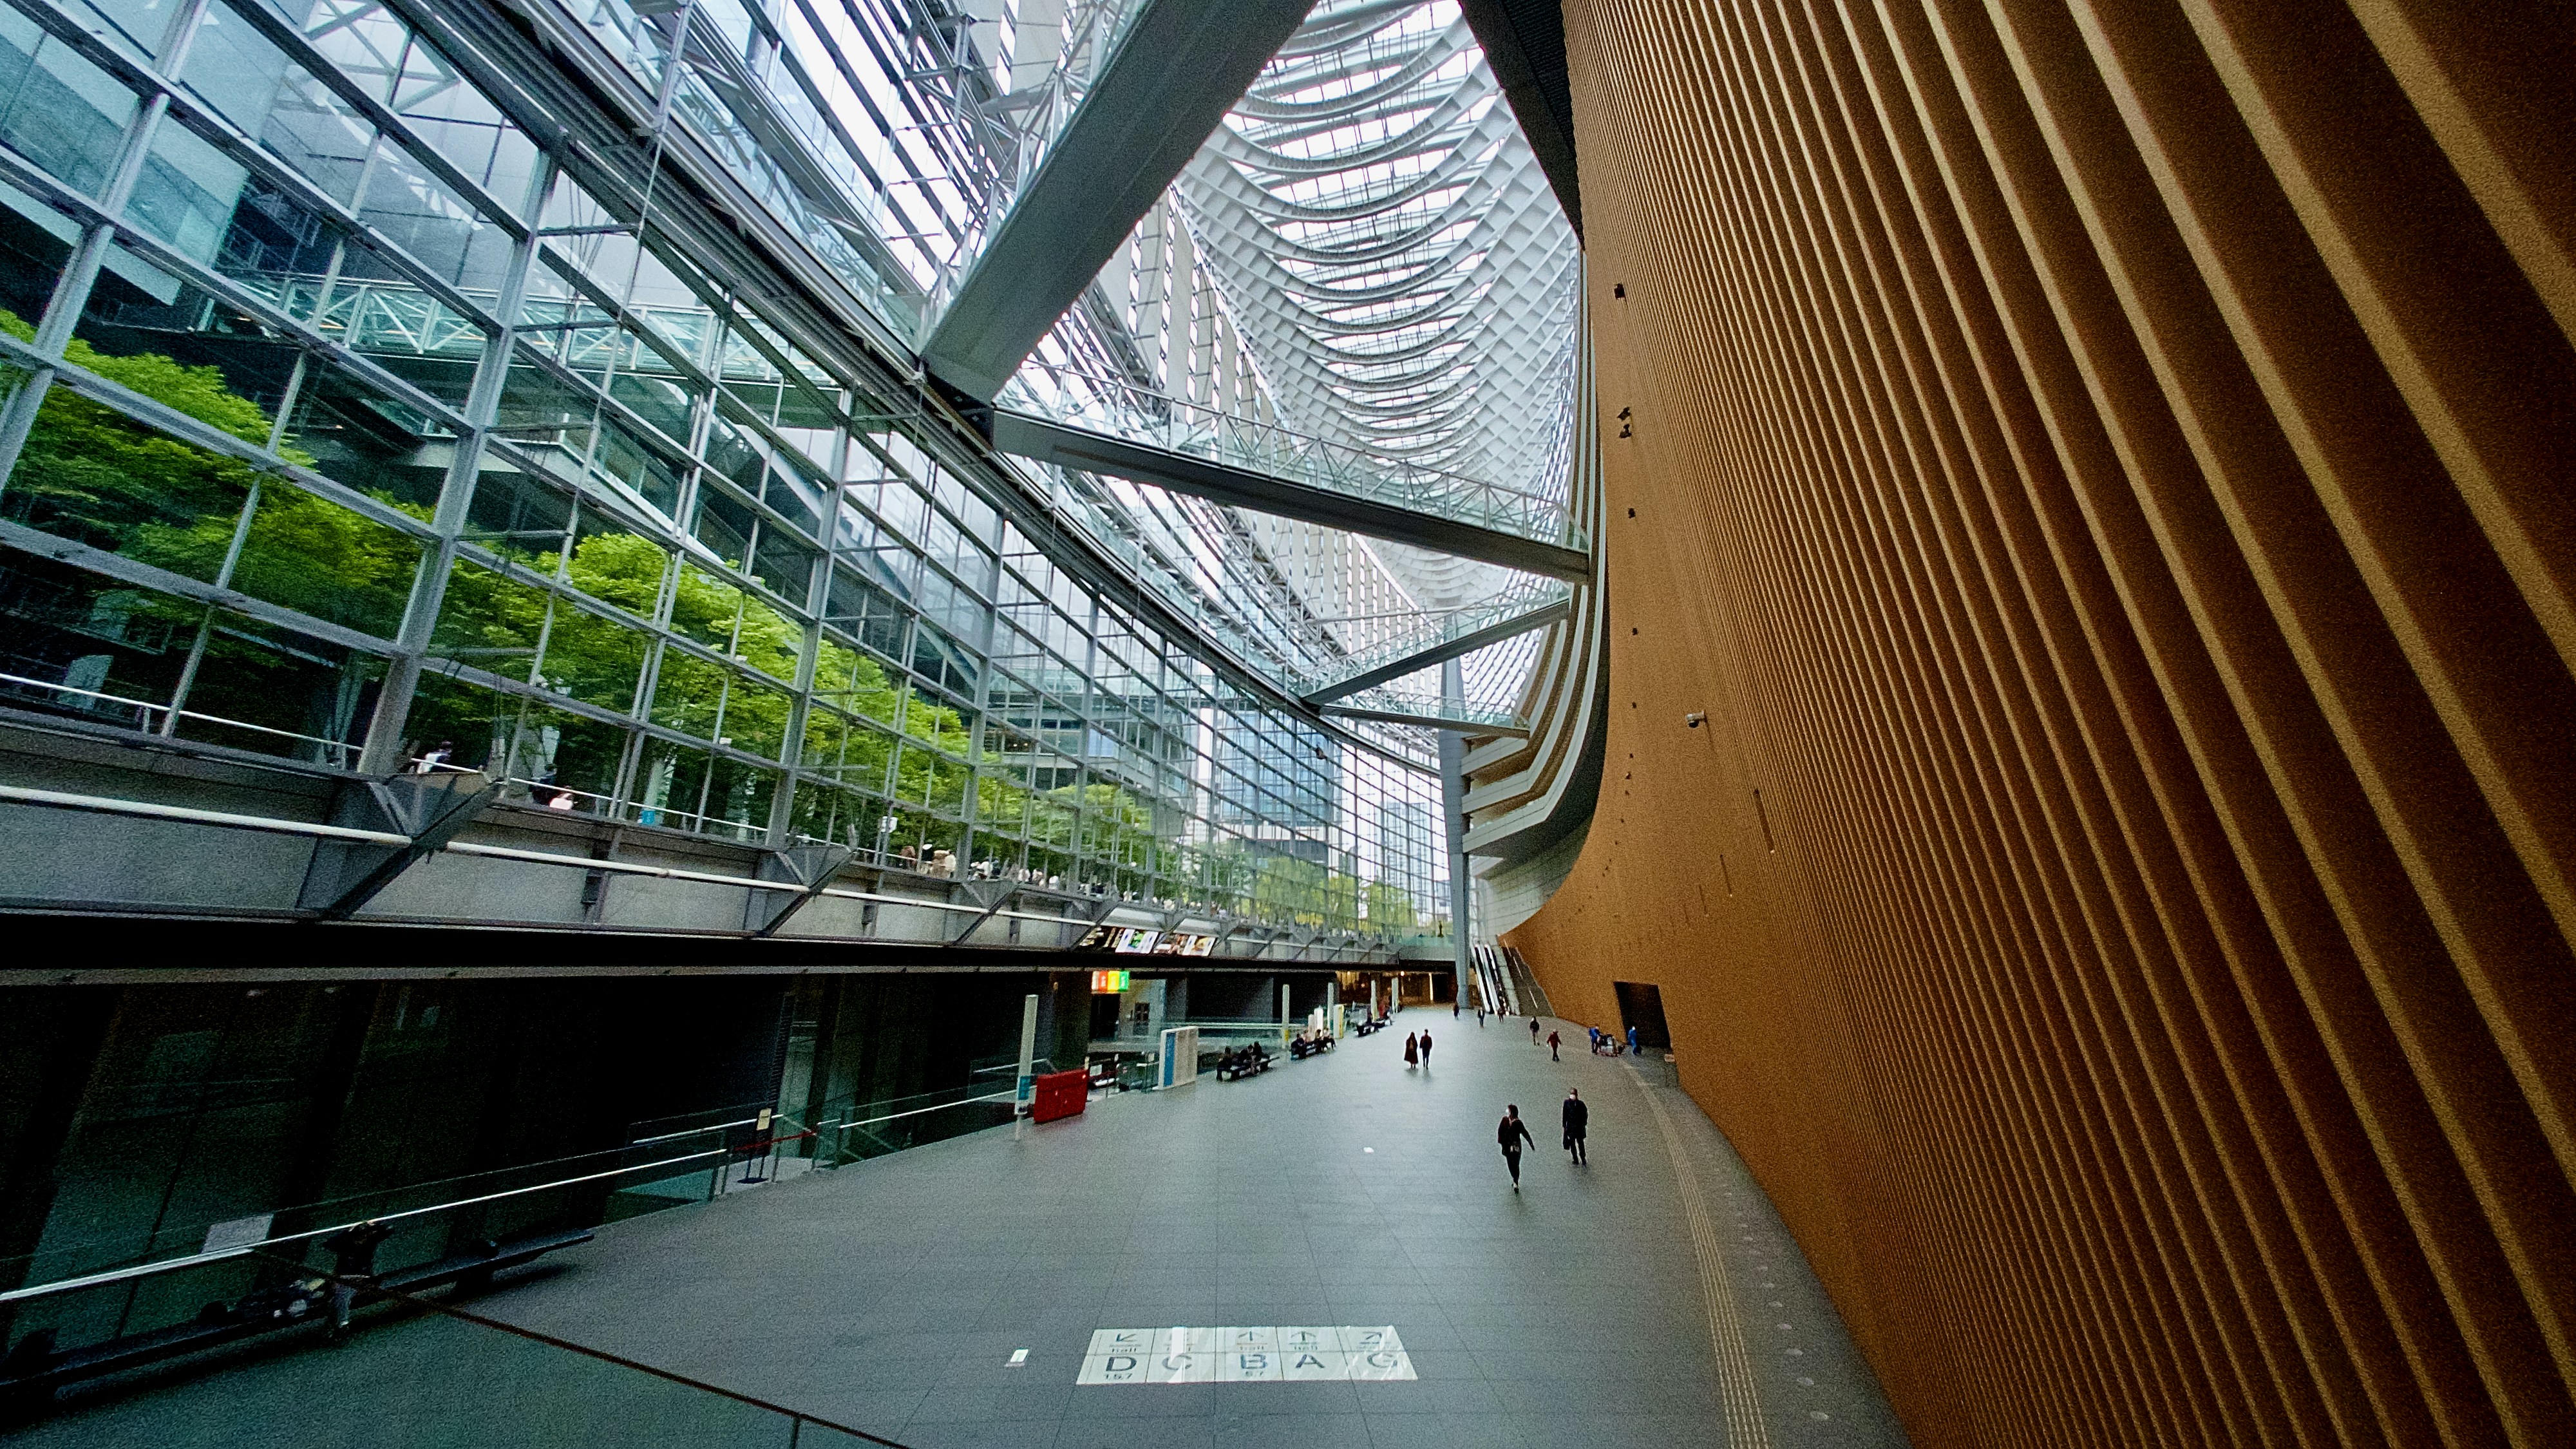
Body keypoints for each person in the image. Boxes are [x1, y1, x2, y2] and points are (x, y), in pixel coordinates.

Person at [322, 1218, 393, 1340]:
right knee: (338, 1294)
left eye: (365, 1235)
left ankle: (341, 1323)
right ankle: (335, 1324)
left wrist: (375, 1225)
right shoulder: (345, 1244)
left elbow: (389, 1230)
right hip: (343, 1278)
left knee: (342, 1293)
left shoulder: (370, 1242)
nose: (362, 1239)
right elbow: (328, 1244)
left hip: (362, 1277)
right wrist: (347, 1232)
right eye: (359, 1236)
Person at [1497, 1104, 1535, 1189]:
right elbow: (1500, 1132)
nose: (1507, 1112)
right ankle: (1514, 1178)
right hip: (1507, 1146)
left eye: (1509, 1110)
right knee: (1510, 1164)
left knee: (1516, 1164)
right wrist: (1502, 1143)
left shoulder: (1518, 1123)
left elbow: (1525, 1133)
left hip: (1516, 1146)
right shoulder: (1505, 1120)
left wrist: (1531, 1144)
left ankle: (1516, 1181)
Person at [1563, 1088, 1589, 1164]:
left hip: (1579, 1128)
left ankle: (1583, 1158)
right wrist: (1565, 1125)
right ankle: (1575, 1159)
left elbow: (1585, 1115)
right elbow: (1565, 1115)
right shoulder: (1567, 1103)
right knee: (1572, 1144)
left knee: (1580, 1143)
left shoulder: (1581, 1104)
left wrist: (1583, 1124)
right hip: (1571, 1128)